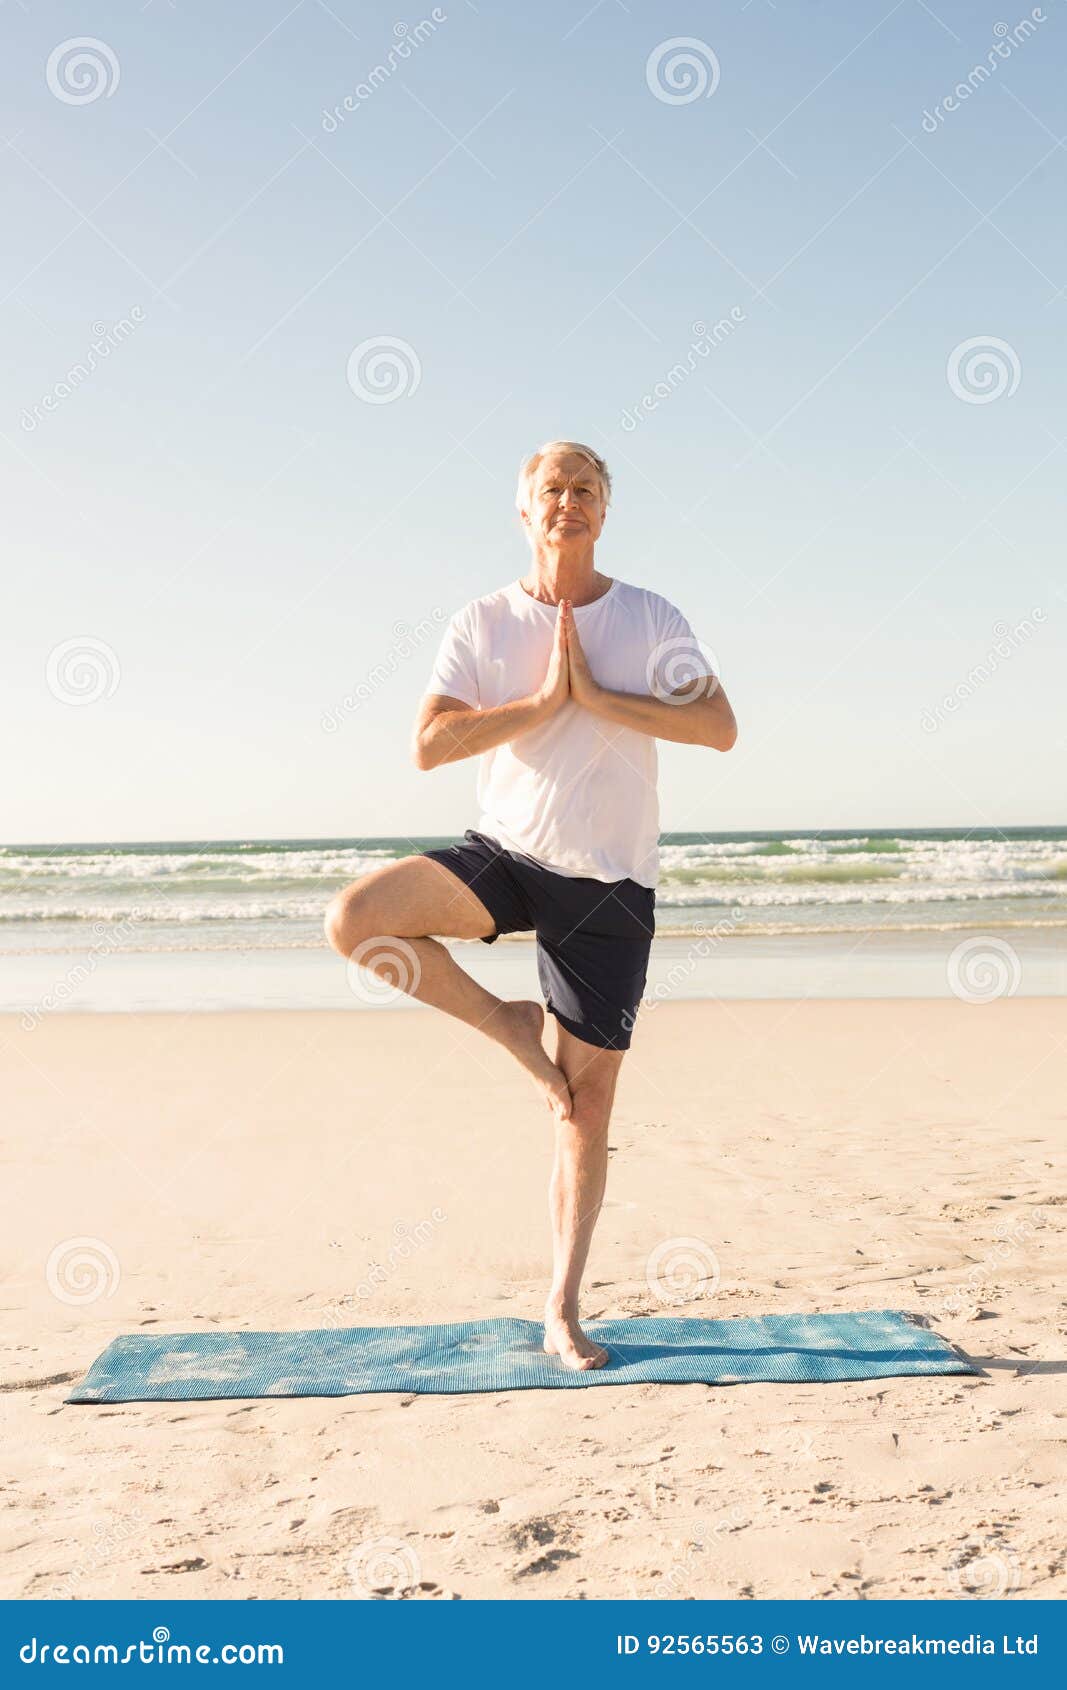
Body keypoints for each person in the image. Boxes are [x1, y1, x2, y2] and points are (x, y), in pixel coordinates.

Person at [324, 441, 737, 1369]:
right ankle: (508, 1022)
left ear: (604, 511)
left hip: (611, 881)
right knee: (357, 920)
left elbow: (718, 727)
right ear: (523, 508)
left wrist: (599, 694)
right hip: (505, 856)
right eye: (552, 486)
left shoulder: (648, 616)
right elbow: (430, 744)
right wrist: (547, 700)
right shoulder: (483, 621)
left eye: (586, 487)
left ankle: (561, 1308)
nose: (569, 500)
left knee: (582, 1109)